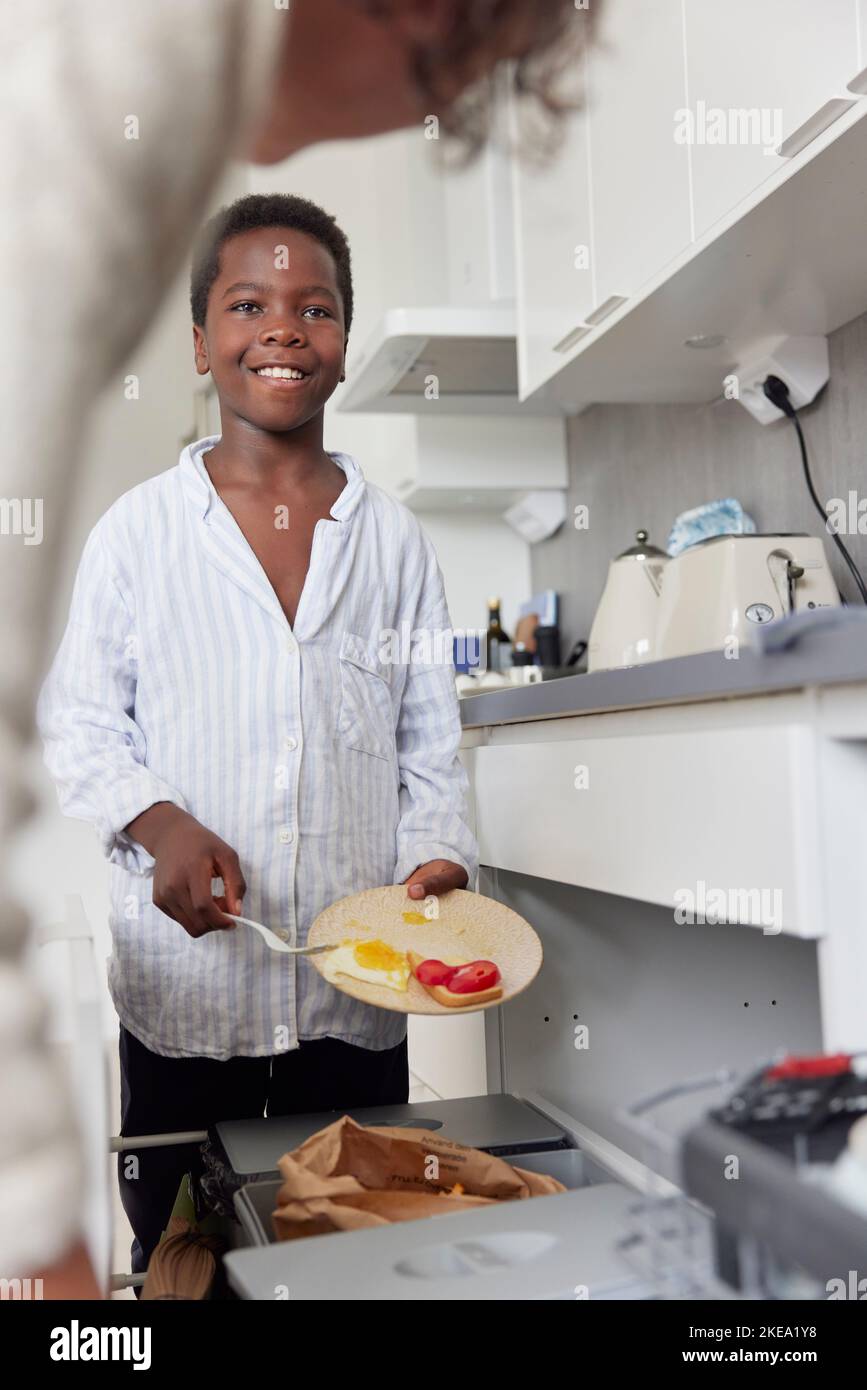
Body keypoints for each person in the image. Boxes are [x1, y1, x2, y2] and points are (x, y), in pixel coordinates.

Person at [1, 0, 595, 1295]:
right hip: (184, 1002)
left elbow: (424, 739)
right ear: (203, 334)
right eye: (251, 303)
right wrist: (156, 823)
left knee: (349, 1253)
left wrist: (435, 860)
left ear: (341, 338)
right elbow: (79, 724)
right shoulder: (133, 535)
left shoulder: (391, 543)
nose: (285, 326)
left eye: (316, 306)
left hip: (351, 1009)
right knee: (186, 1257)